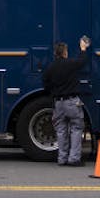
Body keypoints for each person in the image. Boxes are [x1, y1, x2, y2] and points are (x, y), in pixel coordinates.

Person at [41, 35, 91, 166]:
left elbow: (46, 83)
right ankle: (73, 159)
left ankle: (62, 158)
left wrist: (53, 92)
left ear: (55, 53)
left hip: (58, 103)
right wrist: (83, 49)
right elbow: (82, 61)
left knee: (61, 130)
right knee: (76, 128)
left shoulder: (51, 67)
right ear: (65, 53)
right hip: (72, 101)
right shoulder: (70, 64)